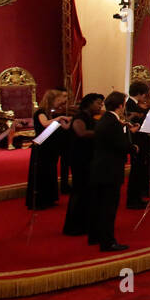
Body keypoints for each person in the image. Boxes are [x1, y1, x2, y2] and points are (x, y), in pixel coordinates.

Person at [90, 92, 134, 252]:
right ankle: (108, 242)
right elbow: (120, 145)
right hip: (110, 169)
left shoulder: (106, 119)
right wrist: (133, 147)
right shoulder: (113, 123)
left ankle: (96, 236)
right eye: (124, 104)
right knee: (108, 207)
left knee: (100, 205)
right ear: (120, 106)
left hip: (101, 167)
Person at [62, 93, 103, 237]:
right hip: (80, 160)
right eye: (98, 103)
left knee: (87, 192)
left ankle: (84, 223)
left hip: (88, 158)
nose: (100, 106)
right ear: (89, 103)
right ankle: (73, 226)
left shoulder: (90, 117)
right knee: (79, 191)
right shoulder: (79, 117)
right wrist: (103, 132)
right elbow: (82, 133)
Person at [26, 89, 66, 210]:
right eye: (59, 100)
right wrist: (59, 118)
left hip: (49, 148)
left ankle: (49, 198)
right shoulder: (41, 112)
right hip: (41, 148)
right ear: (52, 100)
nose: (60, 103)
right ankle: (40, 200)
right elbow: (44, 124)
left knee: (50, 172)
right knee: (42, 173)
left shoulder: (49, 113)